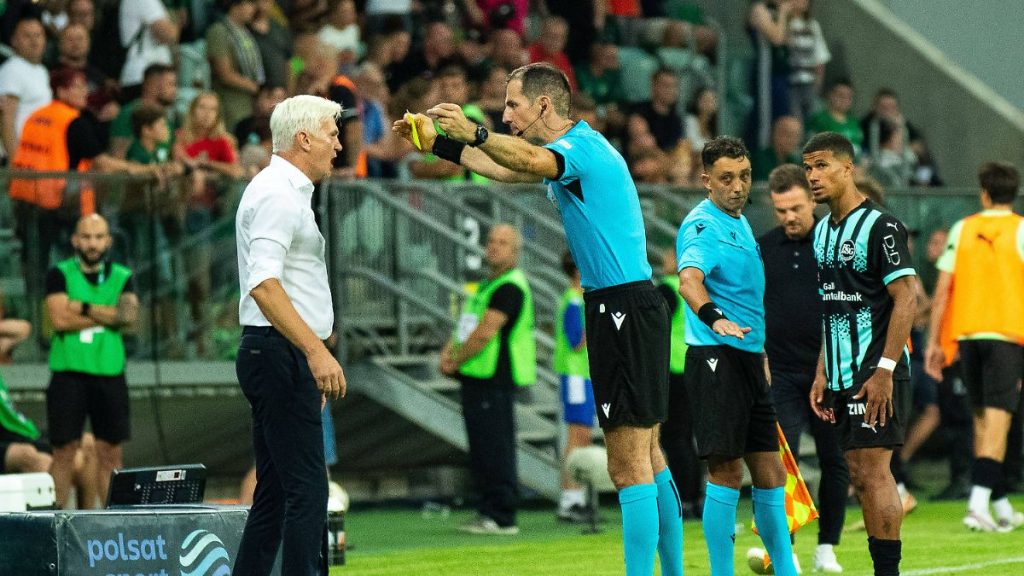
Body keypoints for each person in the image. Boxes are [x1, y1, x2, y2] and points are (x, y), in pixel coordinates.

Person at [394, 62, 680, 576]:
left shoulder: (580, 150)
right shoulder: (577, 152)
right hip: (627, 306)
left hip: (621, 307)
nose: (506, 115)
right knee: (651, 456)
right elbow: (506, 169)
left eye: (512, 105)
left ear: (544, 105)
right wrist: (438, 143)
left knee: (627, 462)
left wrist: (474, 130)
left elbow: (523, 155)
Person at [233, 94, 346, 576]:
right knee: (307, 491)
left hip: (276, 351)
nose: (338, 146)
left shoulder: (280, 190)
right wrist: (314, 351)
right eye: (332, 134)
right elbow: (263, 283)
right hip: (281, 352)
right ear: (304, 139)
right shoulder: (279, 194)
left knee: (277, 494)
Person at [676, 136, 797, 576]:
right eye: (726, 178)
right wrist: (714, 317)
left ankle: (786, 569)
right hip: (714, 358)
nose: (738, 186)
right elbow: (689, 279)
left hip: (746, 358)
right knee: (726, 473)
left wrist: (758, 349)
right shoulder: (703, 225)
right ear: (706, 180)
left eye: (744, 176)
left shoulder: (741, 224)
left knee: (771, 474)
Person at [804, 132, 917, 576]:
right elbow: (831, 305)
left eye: (822, 166)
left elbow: (905, 297)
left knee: (874, 473)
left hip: (876, 370)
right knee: (857, 474)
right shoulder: (822, 232)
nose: (813, 176)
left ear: (848, 168)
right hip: (840, 373)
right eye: (808, 167)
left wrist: (886, 369)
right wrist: (822, 372)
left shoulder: (880, 225)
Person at [757, 163, 848, 573]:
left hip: (828, 372)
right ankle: (785, 549)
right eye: (781, 211)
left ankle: (827, 546)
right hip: (780, 373)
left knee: (835, 462)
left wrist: (828, 367)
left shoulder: (835, 243)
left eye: (796, 207)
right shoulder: (763, 248)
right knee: (781, 463)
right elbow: (750, 305)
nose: (789, 217)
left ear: (813, 200)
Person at [924, 161, 1024, 533]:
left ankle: (998, 504)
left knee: (983, 419)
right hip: (1006, 336)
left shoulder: (962, 228)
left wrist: (934, 342)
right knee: (999, 421)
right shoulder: (1021, 229)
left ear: (984, 192)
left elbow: (941, 292)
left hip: (967, 336)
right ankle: (978, 502)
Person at [439, 224, 535, 534]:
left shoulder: (509, 286)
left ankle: (501, 515)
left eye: (502, 242)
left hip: (493, 378)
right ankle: (490, 511)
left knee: (495, 448)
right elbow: (466, 326)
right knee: (484, 448)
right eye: (491, 241)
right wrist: (448, 351)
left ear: (515, 251)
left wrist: (455, 360)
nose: (493, 247)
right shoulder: (488, 285)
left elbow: (484, 334)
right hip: (478, 377)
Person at [44, 214, 138, 509]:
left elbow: (128, 318)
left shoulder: (123, 275)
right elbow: (59, 318)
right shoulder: (58, 273)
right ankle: (52, 520)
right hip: (68, 374)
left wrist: (80, 306)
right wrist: (107, 314)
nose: (92, 243)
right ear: (75, 240)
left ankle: (114, 521)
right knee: (64, 450)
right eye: (86, 236)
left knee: (110, 452)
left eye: (99, 237)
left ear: (108, 241)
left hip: (109, 373)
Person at [656, 247, 703, 519]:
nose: (664, 261)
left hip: (673, 370)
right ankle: (694, 497)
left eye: (668, 256)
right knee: (689, 438)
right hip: (695, 366)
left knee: (676, 438)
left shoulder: (668, 289)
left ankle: (683, 498)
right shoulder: (698, 288)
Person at [553, 251, 593, 523]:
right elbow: (576, 342)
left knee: (582, 437)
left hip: (584, 375)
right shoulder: (573, 302)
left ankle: (576, 497)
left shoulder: (578, 300)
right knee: (576, 437)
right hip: (575, 376)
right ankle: (570, 498)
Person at [0, 16, 51, 162]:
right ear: (14, 41)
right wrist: (16, 161)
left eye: (38, 35)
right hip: (20, 158)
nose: (34, 41)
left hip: (38, 156)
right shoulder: (12, 69)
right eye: (27, 36)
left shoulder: (42, 70)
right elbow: (6, 119)